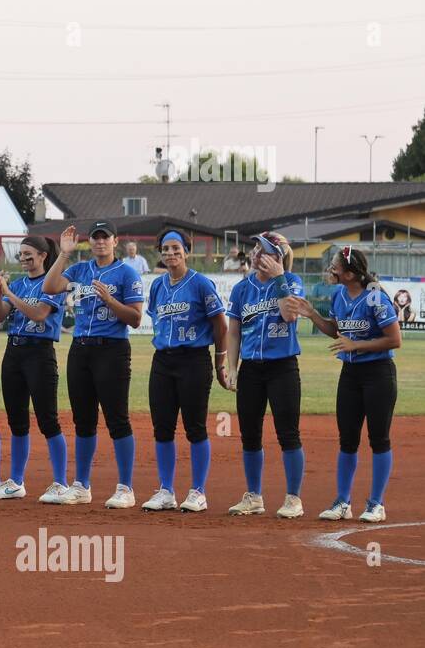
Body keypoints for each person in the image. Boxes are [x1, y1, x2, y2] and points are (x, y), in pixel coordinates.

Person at [288, 247, 400, 523]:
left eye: (336, 267)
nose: (331, 271)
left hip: (378, 373)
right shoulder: (339, 295)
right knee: (347, 440)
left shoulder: (375, 296)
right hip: (350, 375)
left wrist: (357, 345)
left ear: (350, 274)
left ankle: (376, 504)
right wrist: (312, 314)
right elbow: (335, 330)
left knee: (379, 439)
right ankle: (343, 502)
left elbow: (394, 339)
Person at [42, 221, 144, 507]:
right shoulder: (80, 270)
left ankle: (125, 487)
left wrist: (110, 299)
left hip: (111, 349)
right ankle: (81, 485)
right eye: (95, 238)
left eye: (105, 238)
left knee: (117, 419)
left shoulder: (126, 272)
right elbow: (50, 286)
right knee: (83, 419)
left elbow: (135, 319)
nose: (100, 242)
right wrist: (63, 254)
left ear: (115, 241)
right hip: (81, 349)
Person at [141, 230, 229, 513]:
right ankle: (166, 490)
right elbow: (156, 317)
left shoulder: (200, 283)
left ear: (186, 252)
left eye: (176, 248)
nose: (170, 253)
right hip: (163, 361)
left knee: (195, 427)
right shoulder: (157, 286)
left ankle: (198, 491)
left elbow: (220, 324)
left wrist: (220, 362)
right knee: (163, 428)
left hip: (194, 360)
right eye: (165, 249)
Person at [222, 232, 307, 518]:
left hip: (282, 366)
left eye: (265, 250)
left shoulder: (292, 282)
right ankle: (253, 496)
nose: (257, 253)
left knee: (288, 433)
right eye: (256, 247)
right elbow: (233, 332)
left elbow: (289, 315)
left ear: (278, 256)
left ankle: (293, 498)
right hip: (252, 369)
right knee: (250, 435)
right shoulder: (241, 288)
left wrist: (280, 277)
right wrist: (232, 368)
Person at [0, 235, 68, 501]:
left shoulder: (52, 284)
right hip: (15, 352)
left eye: (28, 253)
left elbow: (39, 314)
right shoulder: (21, 283)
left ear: (44, 255)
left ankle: (60, 483)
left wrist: (10, 292)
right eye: (20, 254)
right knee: (17, 421)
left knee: (48, 420)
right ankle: (16, 482)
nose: (23, 258)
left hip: (40, 354)